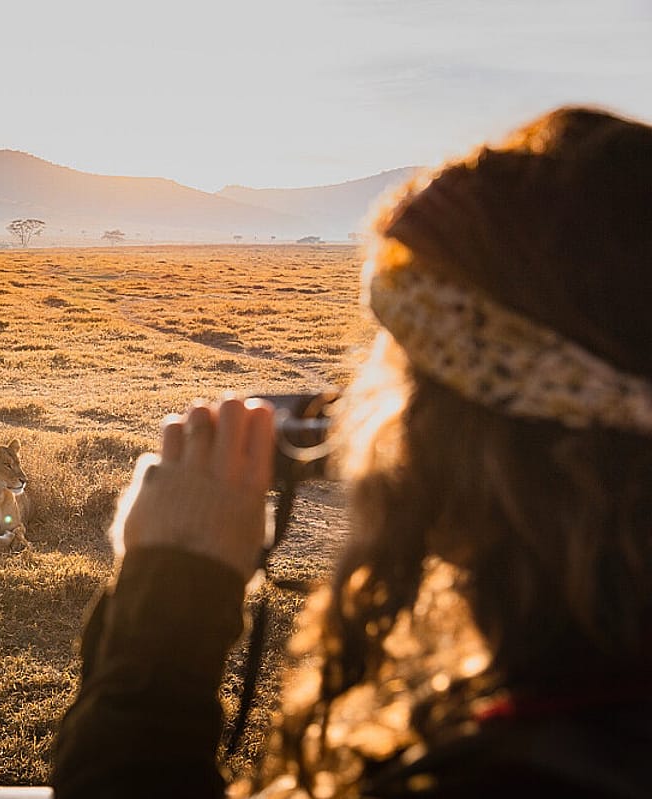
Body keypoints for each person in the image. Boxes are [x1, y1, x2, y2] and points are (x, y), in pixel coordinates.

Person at [50, 106, 652, 798]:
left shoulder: (519, 766)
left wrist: (167, 605)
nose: (359, 404)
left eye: (401, 369)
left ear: (500, 436)